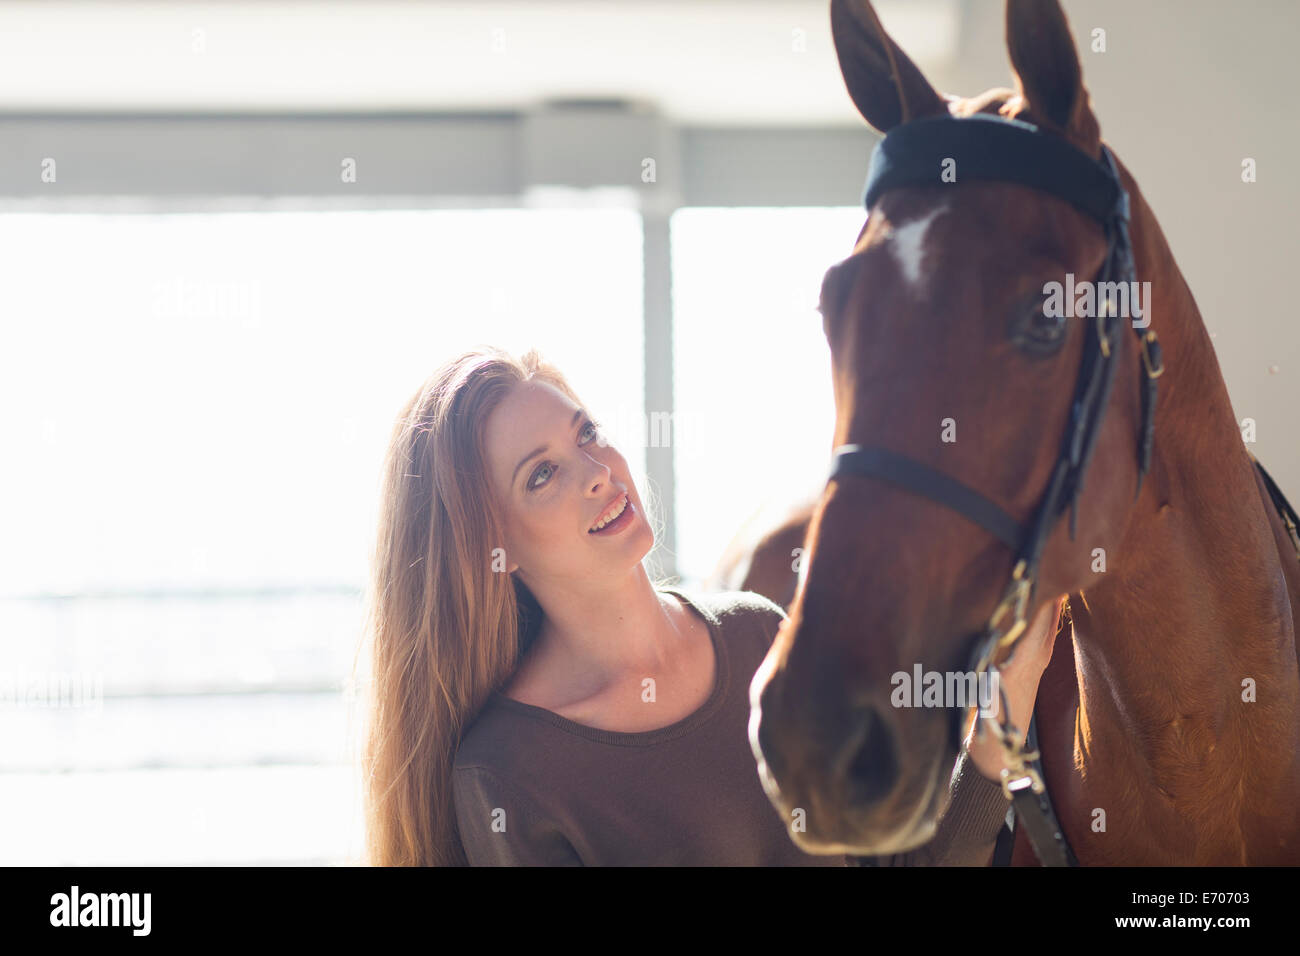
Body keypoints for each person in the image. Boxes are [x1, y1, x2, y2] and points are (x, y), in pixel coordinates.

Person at [360, 346, 1061, 866]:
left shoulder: (761, 633)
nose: (599, 475)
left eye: (587, 434)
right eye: (543, 474)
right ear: (493, 544)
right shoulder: (507, 773)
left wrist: (1007, 705)